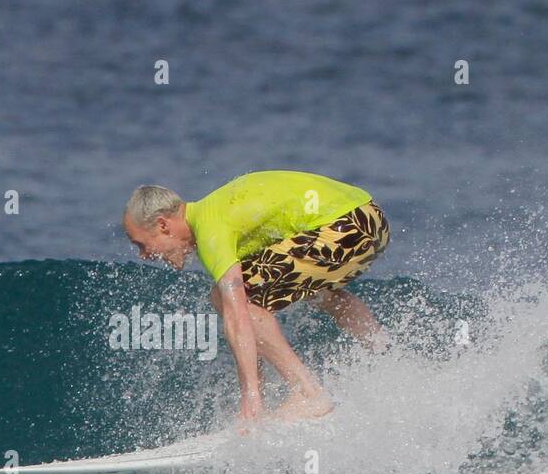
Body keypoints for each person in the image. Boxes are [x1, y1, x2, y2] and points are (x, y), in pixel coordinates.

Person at [122, 170, 389, 422]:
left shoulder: (210, 229)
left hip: (342, 226)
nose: (144, 255)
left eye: (141, 244)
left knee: (227, 297)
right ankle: (385, 356)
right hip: (369, 218)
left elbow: (238, 315)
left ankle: (309, 394)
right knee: (319, 292)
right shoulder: (216, 211)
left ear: (163, 225)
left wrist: (251, 398)